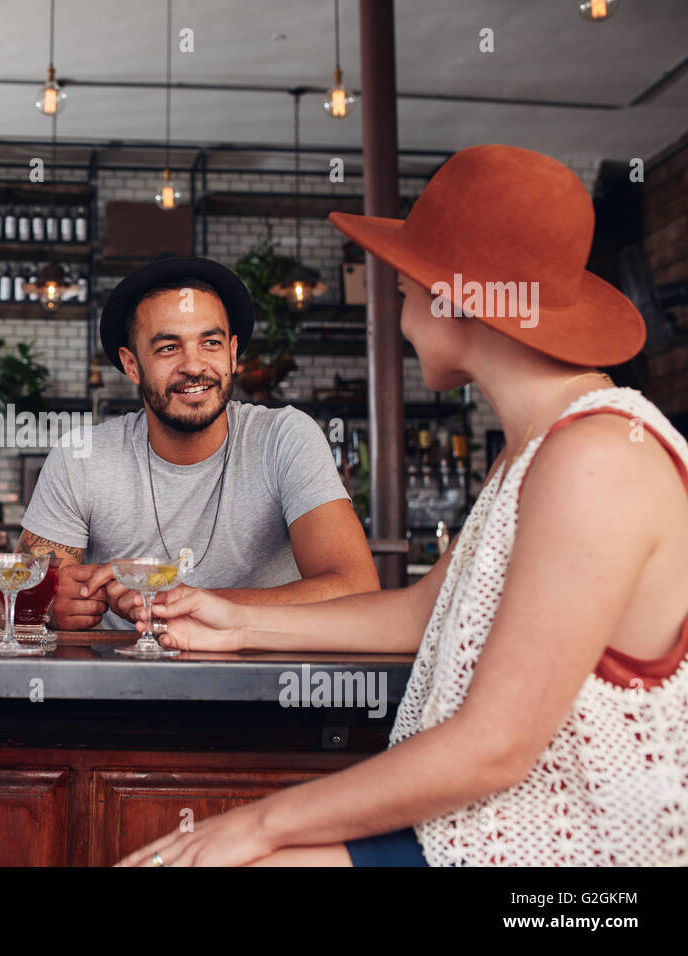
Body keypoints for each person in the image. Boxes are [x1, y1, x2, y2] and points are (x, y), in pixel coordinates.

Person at [118, 144, 688, 867]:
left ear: (462, 300)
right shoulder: (537, 449)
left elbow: (494, 748)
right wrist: (239, 623)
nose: (402, 313)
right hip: (486, 833)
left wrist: (255, 824)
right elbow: (425, 615)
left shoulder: (597, 457)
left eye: (409, 286)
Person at [19, 255, 379, 631]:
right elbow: (14, 604)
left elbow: (356, 591)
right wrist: (44, 606)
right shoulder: (82, 457)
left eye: (210, 342)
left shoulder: (284, 439)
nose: (194, 365)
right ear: (131, 365)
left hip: (261, 684)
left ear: (233, 353)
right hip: (123, 682)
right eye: (168, 348)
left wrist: (185, 601)